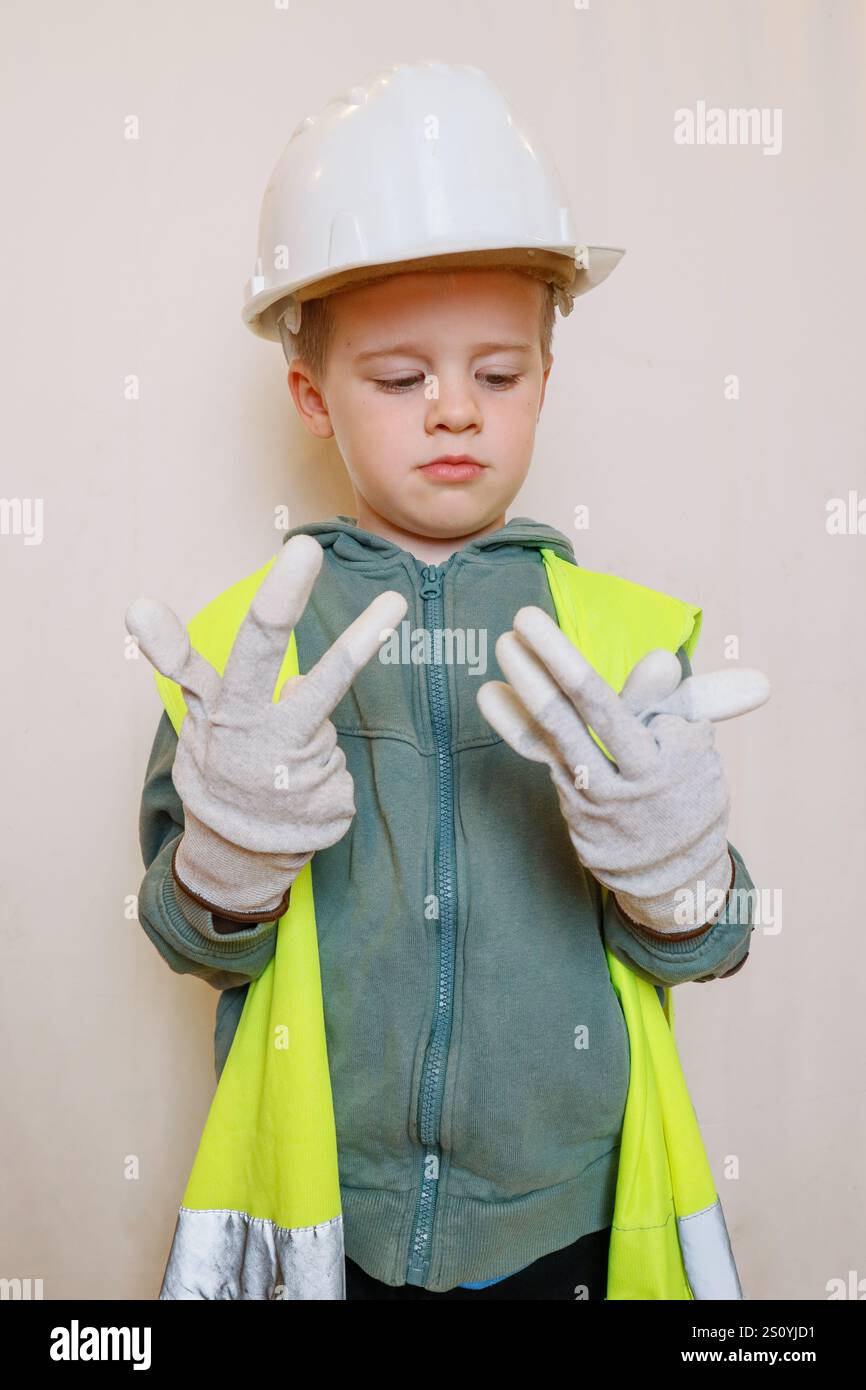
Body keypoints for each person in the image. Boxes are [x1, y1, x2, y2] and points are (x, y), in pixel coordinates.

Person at [127, 62, 767, 1300]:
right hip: (328, 1219)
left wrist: (681, 884)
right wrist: (228, 867)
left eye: (496, 371)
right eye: (399, 376)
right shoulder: (245, 656)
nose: (454, 412)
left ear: (545, 377)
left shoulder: (617, 644)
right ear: (312, 395)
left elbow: (710, 941)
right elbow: (178, 930)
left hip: (569, 1219)